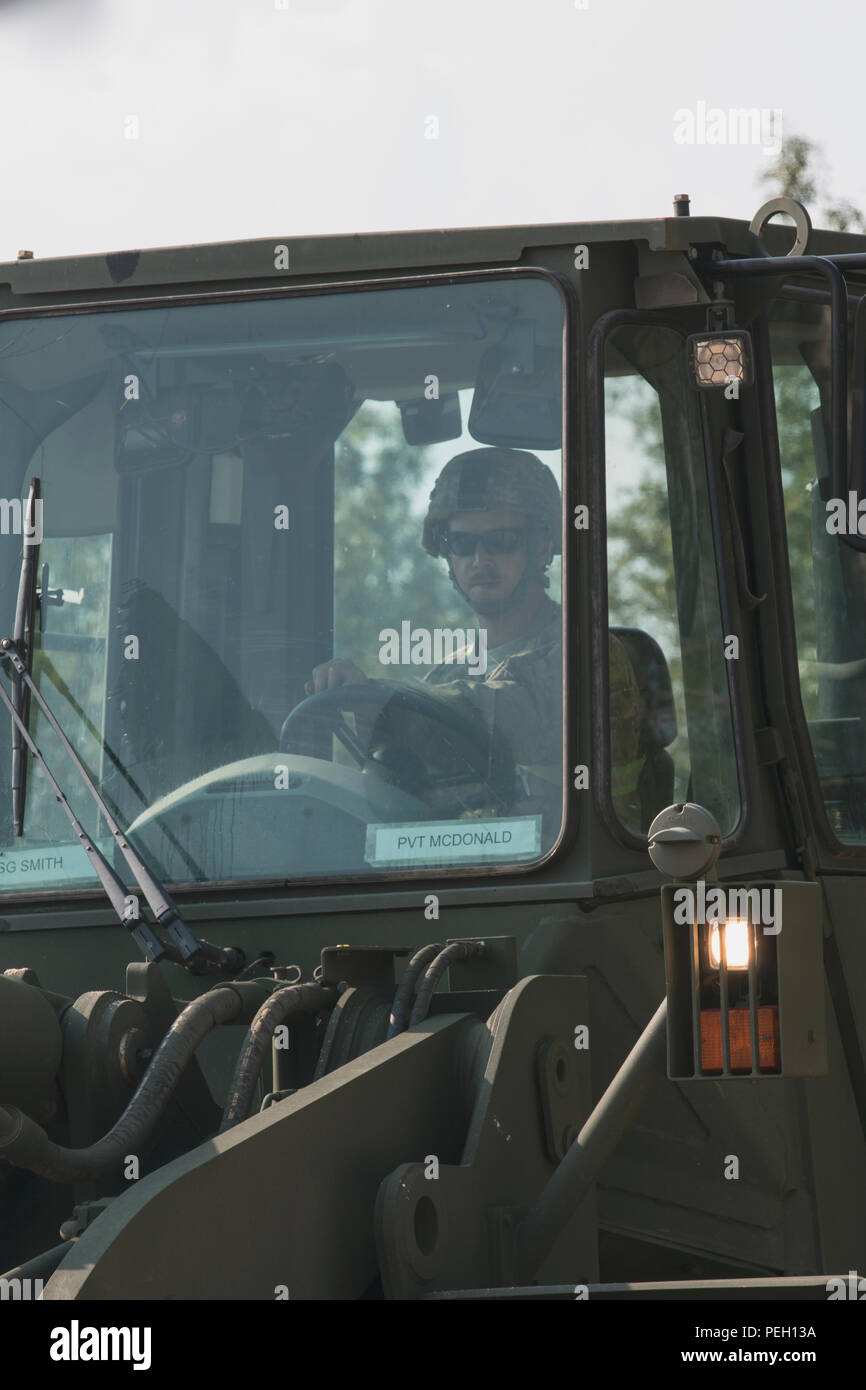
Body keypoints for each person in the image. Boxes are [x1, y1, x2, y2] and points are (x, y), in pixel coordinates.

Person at [305, 446, 643, 825]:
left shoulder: (588, 654)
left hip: (567, 875)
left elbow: (511, 717)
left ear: (542, 546)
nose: (479, 560)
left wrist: (378, 700)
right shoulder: (446, 678)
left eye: (500, 541)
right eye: (462, 545)